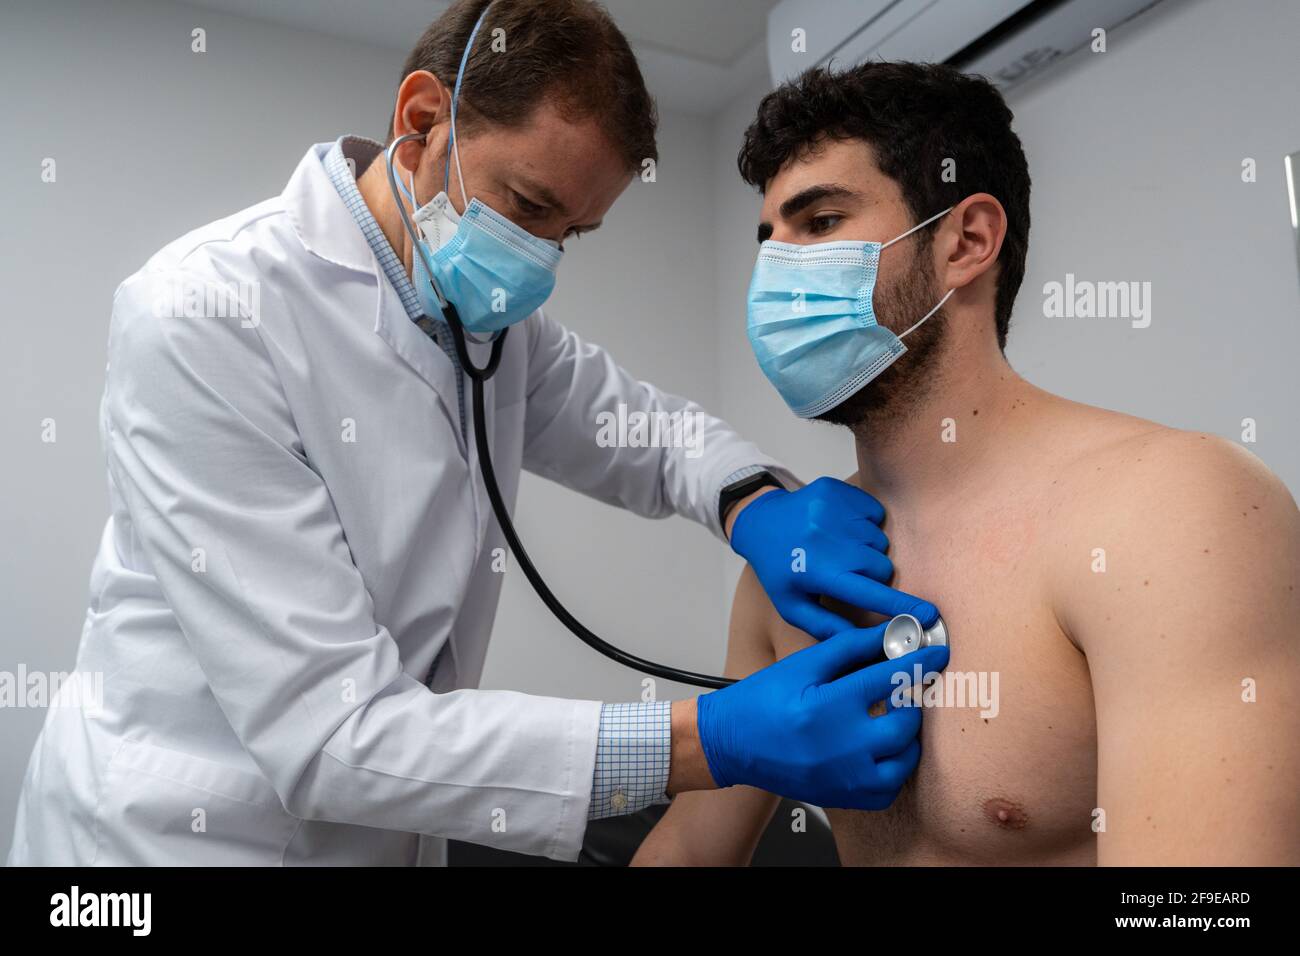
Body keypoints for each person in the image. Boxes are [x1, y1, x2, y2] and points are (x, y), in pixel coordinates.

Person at [6, 0, 944, 867]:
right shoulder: (206, 315)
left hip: (388, 830)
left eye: (571, 233)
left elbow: (645, 433)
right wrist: (718, 739)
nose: (539, 259)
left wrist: (752, 504)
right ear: (421, 122)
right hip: (173, 845)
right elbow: (334, 735)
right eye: (531, 207)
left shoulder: (480, 318)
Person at [633, 61, 1300, 866]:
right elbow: (691, 849)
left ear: (967, 242)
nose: (773, 272)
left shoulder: (1173, 512)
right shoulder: (791, 573)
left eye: (818, 224)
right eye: (767, 239)